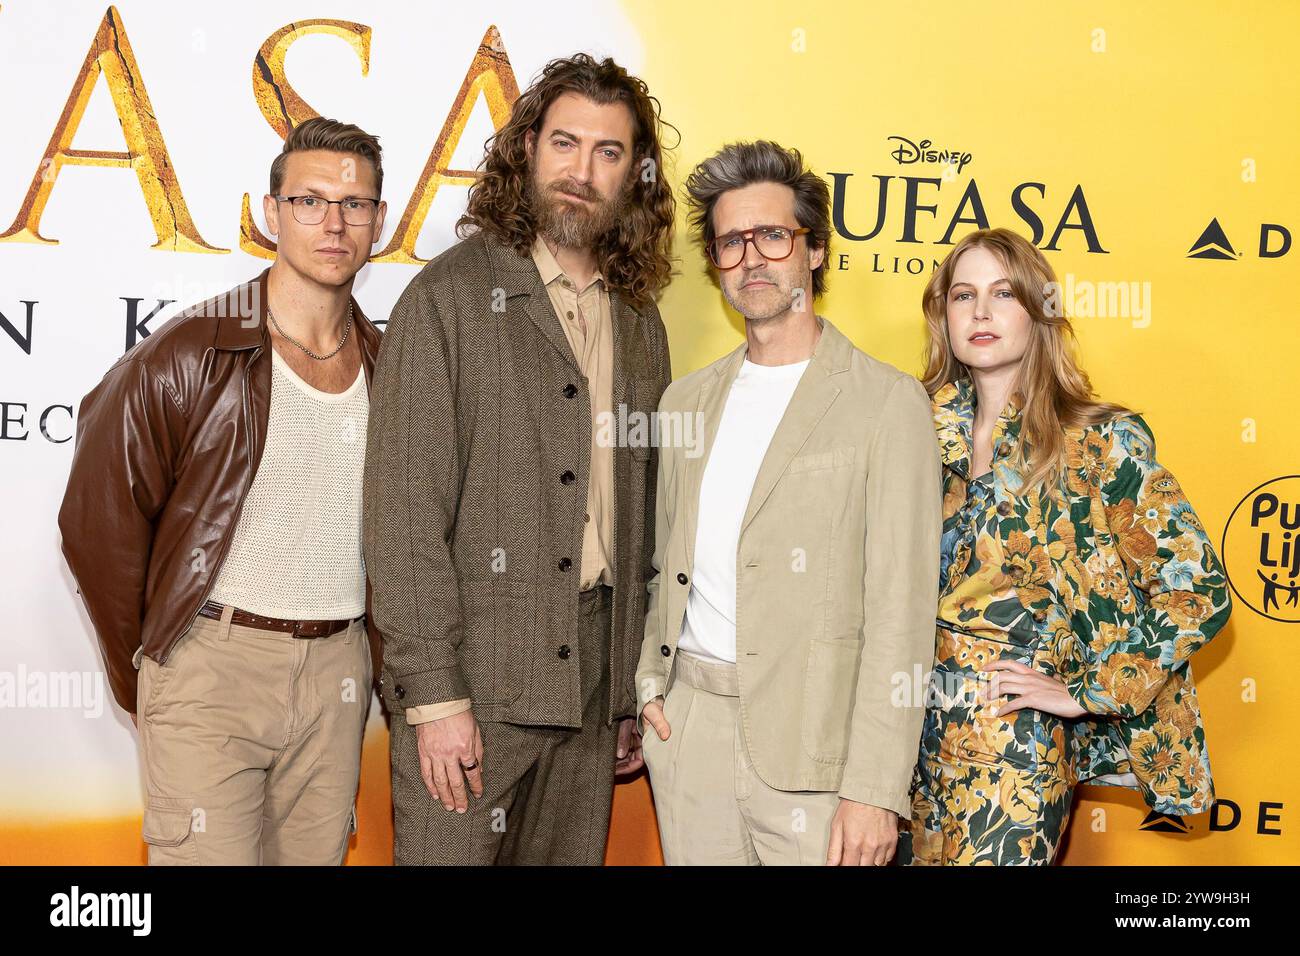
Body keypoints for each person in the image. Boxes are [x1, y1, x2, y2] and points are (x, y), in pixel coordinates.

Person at [363, 53, 675, 865]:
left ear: (633, 173)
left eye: (608, 152)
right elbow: (402, 517)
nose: (582, 170)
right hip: (474, 686)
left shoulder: (640, 320)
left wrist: (631, 688)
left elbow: (644, 514)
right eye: (564, 143)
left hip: (596, 686)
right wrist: (433, 697)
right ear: (528, 149)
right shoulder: (450, 298)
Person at [58, 117, 389, 864]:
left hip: (339, 675)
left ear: (380, 222)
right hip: (212, 665)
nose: (333, 222)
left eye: (355, 203)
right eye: (308, 201)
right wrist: (156, 666)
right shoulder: (188, 353)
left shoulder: (391, 367)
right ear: (270, 215)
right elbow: (94, 526)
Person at [634, 141, 942, 865]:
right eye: (732, 241)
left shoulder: (887, 403)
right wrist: (652, 684)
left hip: (822, 757)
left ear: (815, 252)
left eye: (773, 235)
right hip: (690, 736)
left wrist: (876, 787)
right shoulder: (686, 401)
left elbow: (902, 615)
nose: (752, 258)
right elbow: (661, 562)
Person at [903, 227, 1232, 865]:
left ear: (1040, 310)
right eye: (962, 295)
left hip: (1012, 744)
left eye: (1003, 294)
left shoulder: (1099, 441)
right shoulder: (911, 428)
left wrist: (1086, 690)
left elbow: (1200, 592)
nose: (980, 312)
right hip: (899, 728)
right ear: (942, 315)